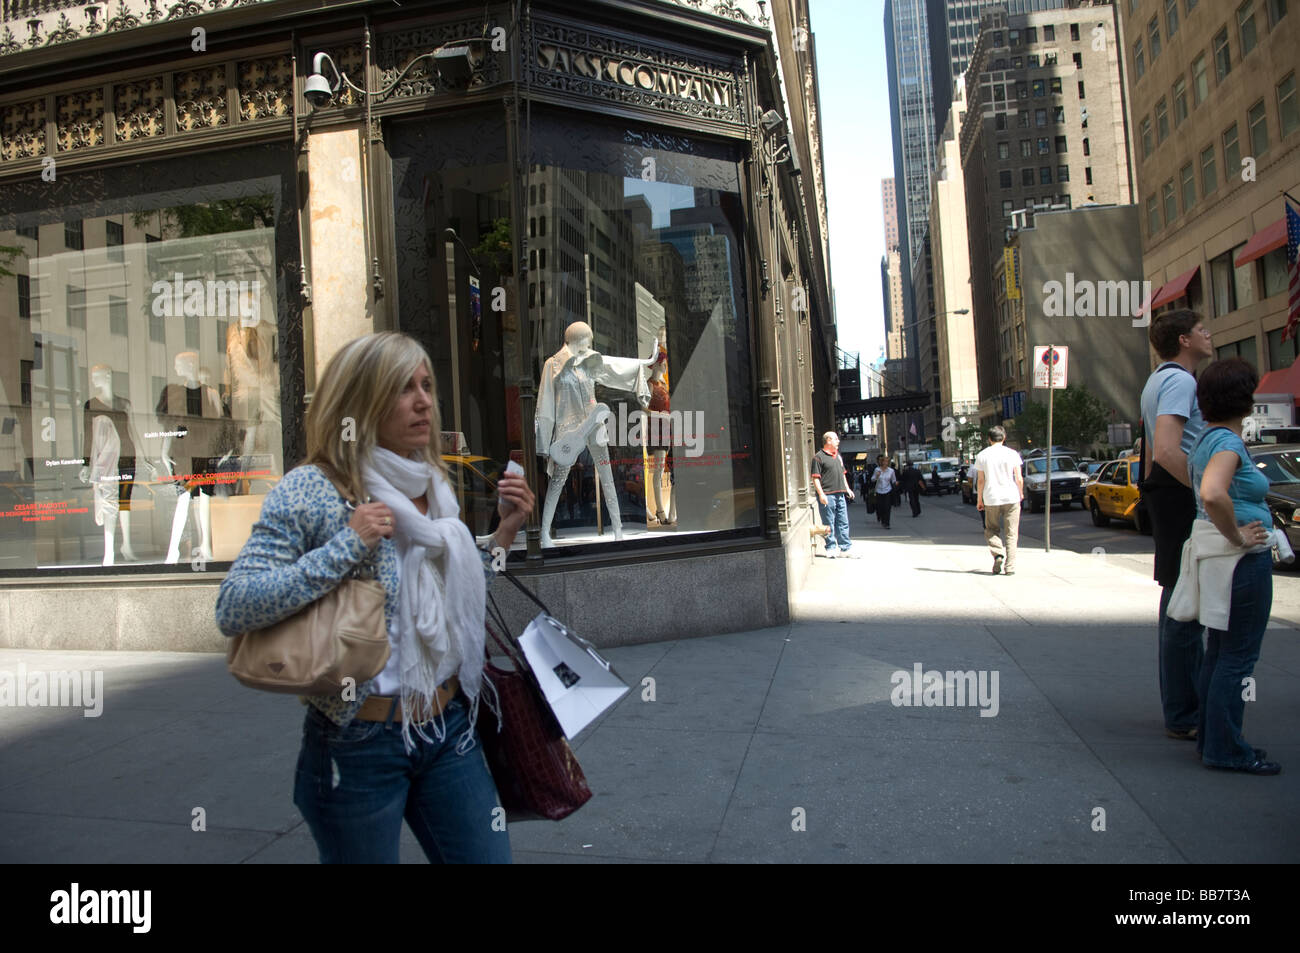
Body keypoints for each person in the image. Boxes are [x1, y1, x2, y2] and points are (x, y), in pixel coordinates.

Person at [215, 332, 537, 863]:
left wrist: (504, 535)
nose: (423, 401)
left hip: (447, 725)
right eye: (401, 389)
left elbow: (454, 593)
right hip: (358, 740)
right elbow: (235, 605)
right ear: (360, 402)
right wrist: (348, 544)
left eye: (426, 385)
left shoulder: (434, 486)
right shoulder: (314, 488)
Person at [1179, 358, 1279, 775]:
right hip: (1241, 561)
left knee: (1220, 654)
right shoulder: (1227, 443)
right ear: (1246, 399)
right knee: (1237, 658)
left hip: (1220, 561)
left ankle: (1213, 741)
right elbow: (1213, 492)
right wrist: (1238, 537)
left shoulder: (1205, 438)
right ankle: (1226, 749)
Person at [1139, 308, 1211, 741]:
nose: (1208, 334)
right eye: (1202, 329)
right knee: (1185, 606)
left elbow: (1153, 451)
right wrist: (1208, 491)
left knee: (1178, 600)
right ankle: (1185, 712)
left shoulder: (1158, 380)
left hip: (1167, 496)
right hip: (1181, 496)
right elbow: (1166, 449)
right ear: (1184, 340)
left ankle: (1182, 708)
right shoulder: (1180, 381)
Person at [973, 425, 1023, 574]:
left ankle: (998, 554)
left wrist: (979, 499)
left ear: (989, 439)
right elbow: (1019, 478)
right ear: (1004, 437)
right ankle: (1010, 567)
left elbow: (980, 480)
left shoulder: (982, 455)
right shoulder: (1012, 454)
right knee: (1012, 533)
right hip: (1011, 496)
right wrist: (1020, 493)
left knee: (991, 529)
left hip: (991, 497)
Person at [812, 431, 855, 557]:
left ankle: (845, 548)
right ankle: (830, 548)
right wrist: (821, 494)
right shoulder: (818, 457)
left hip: (840, 494)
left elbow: (842, 474)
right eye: (836, 439)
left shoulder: (838, 457)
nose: (838, 441)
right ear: (828, 441)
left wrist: (847, 489)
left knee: (843, 521)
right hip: (827, 494)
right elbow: (815, 478)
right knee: (828, 522)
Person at [873, 455, 898, 529]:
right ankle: (882, 520)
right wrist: (876, 476)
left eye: (887, 461)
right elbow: (872, 479)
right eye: (884, 461)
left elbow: (893, 480)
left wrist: (896, 483)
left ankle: (887, 523)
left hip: (888, 490)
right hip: (879, 491)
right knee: (880, 507)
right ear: (881, 462)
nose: (885, 463)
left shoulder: (891, 471)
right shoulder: (877, 470)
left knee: (887, 507)